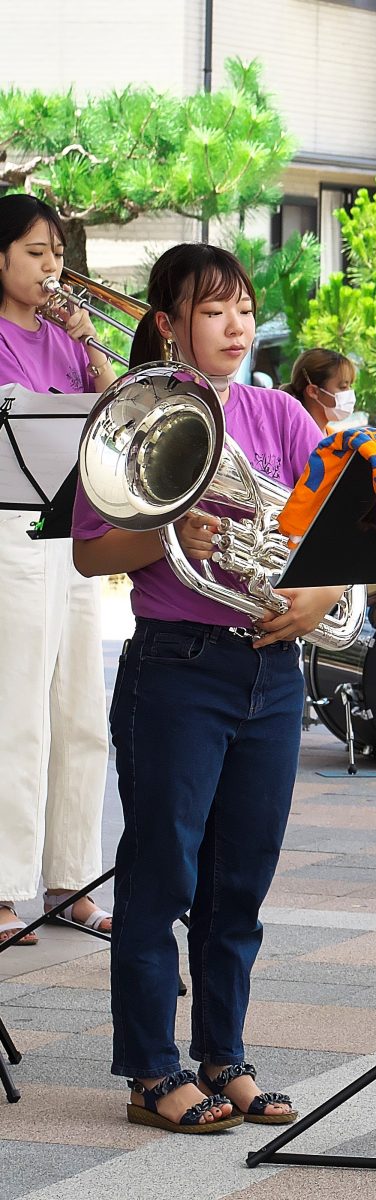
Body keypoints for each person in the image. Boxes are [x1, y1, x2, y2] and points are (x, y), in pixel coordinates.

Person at [73, 243, 344, 1132]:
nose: (235, 325)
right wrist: (163, 528)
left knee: (241, 884)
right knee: (162, 874)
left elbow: (341, 520)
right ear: (167, 321)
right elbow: (89, 550)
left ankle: (224, 1055)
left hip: (270, 667)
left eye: (243, 307)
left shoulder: (277, 413)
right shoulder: (136, 414)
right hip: (177, 666)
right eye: (213, 309)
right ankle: (153, 1068)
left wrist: (321, 596)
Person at [0, 194, 112, 949]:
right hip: (10, 522)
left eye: (58, 254)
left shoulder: (68, 339)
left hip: (72, 526)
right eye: (36, 252)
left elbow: (115, 413)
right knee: (16, 712)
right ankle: (5, 889)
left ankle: (71, 878)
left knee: (80, 708)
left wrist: (91, 343)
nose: (51, 266)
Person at [285, 347, 361, 431]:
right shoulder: (299, 438)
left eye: (350, 386)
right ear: (313, 391)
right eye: (343, 387)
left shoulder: (331, 434)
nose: (349, 392)